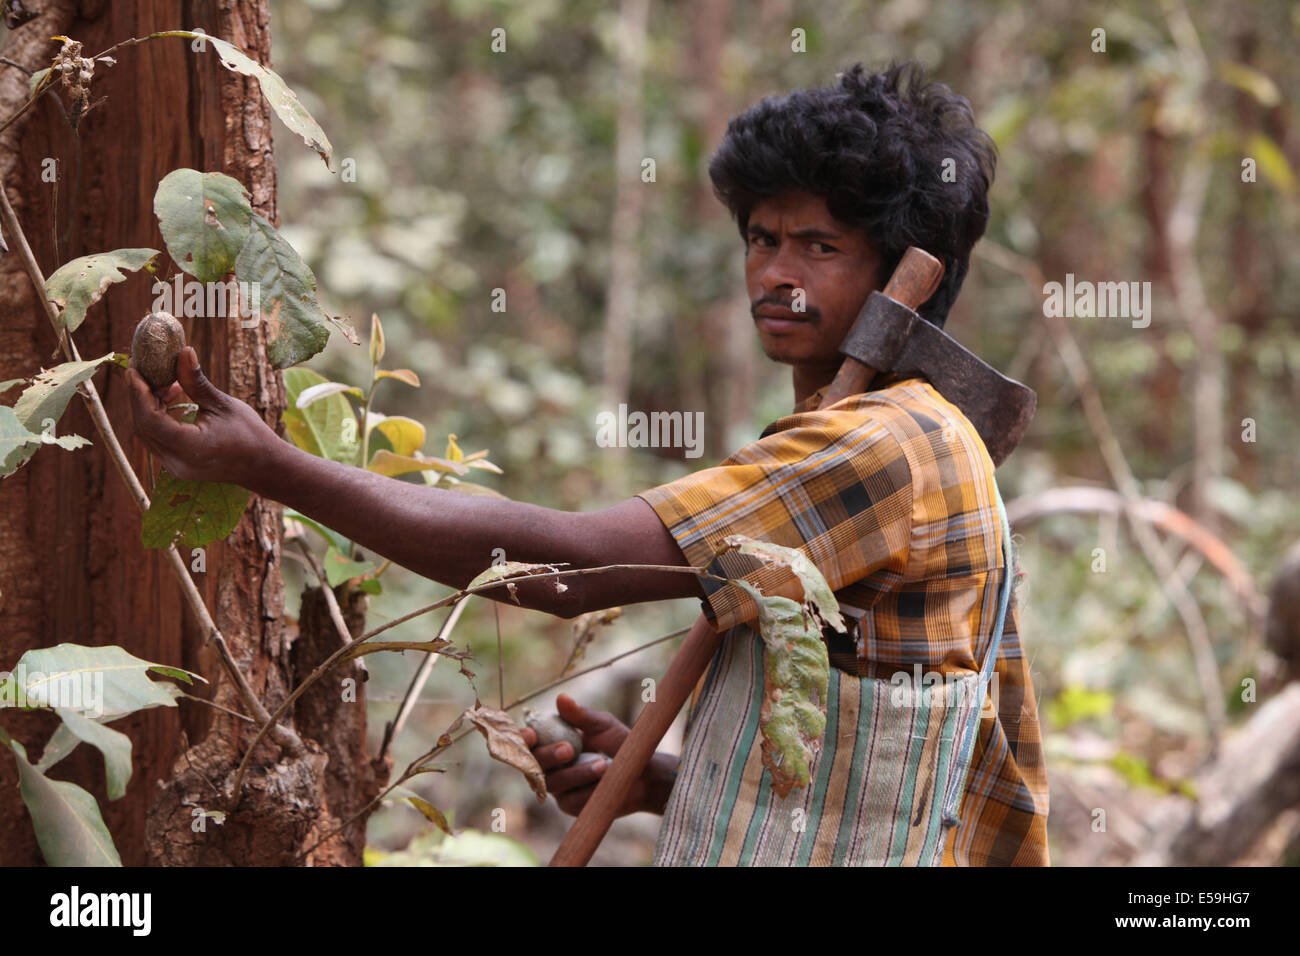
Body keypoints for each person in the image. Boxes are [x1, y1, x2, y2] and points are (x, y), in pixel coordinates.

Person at [129, 61, 1048, 866]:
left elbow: (569, 570)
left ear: (902, 278)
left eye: (821, 246)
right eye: (763, 239)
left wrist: (272, 466)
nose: (777, 274)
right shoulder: (877, 429)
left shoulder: (877, 445)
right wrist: (668, 783)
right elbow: (890, 758)